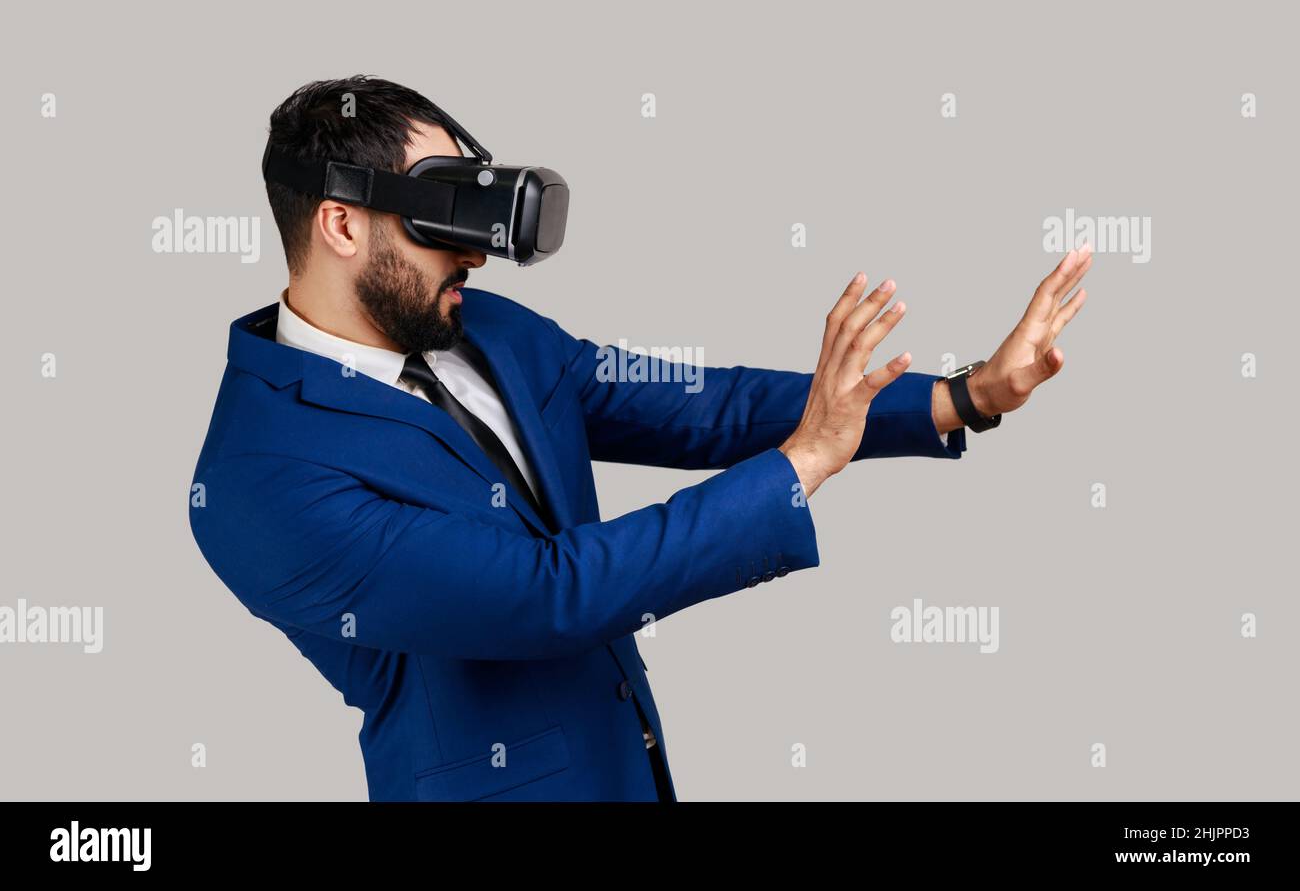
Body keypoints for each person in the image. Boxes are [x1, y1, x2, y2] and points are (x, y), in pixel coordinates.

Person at [188, 76, 1091, 801]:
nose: (474, 252)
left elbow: (701, 406)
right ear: (341, 224)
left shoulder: (487, 328)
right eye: (441, 215)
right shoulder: (255, 478)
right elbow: (548, 596)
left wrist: (963, 396)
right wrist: (803, 462)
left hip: (627, 765)